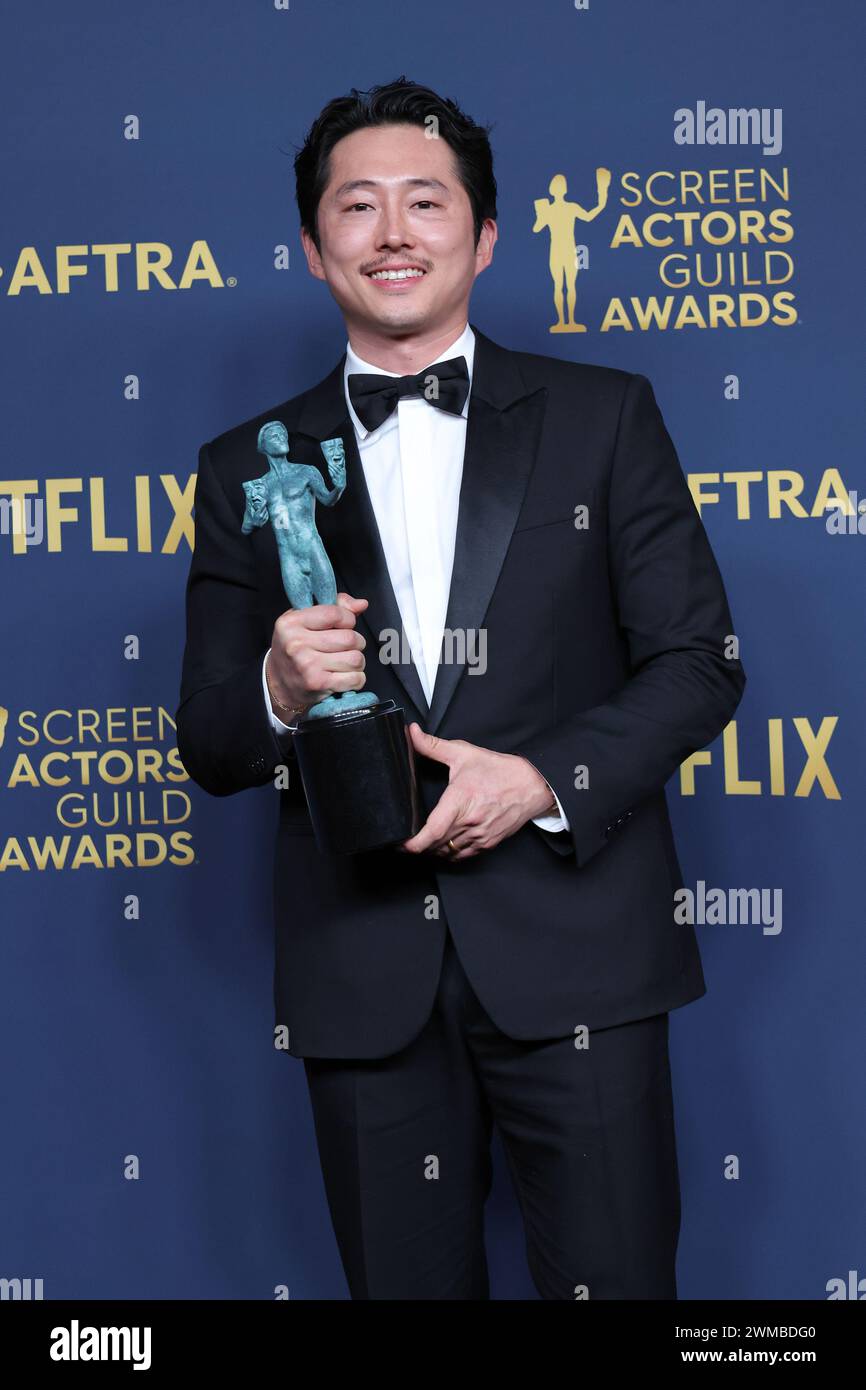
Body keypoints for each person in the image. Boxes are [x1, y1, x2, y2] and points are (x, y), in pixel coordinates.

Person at [176, 76, 746, 1300]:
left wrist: (545, 777)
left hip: (578, 958)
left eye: (425, 203)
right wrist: (276, 687)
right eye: (358, 206)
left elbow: (698, 661)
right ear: (313, 246)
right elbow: (210, 741)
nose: (392, 233)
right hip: (359, 973)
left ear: (483, 237)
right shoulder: (243, 467)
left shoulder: (604, 417)